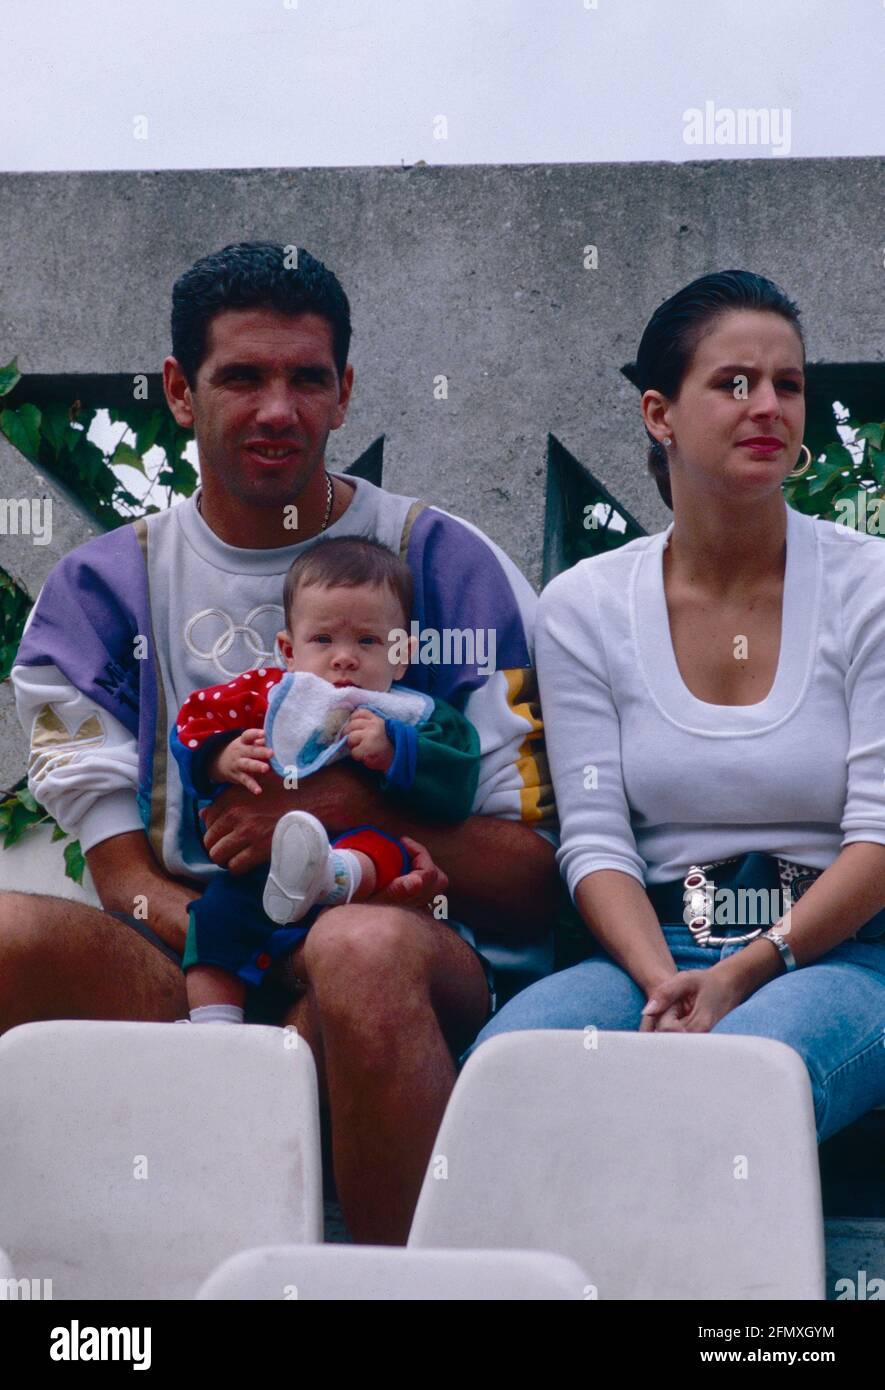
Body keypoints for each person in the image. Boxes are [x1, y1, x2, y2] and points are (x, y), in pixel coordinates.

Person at [5, 241, 559, 1242]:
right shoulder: (98, 593)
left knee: (357, 949)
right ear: (180, 390)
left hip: (412, 943)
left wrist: (356, 811)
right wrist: (250, 949)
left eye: (307, 378)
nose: (278, 409)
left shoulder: (446, 564)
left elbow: (532, 882)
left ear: (345, 392)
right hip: (198, 958)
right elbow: (123, 881)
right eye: (242, 377)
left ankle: (417, 1291)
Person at [470, 270, 885, 1142]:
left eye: (788, 385)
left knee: (732, 1093)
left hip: (840, 955)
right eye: (734, 383)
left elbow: (878, 837)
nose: (767, 405)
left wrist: (738, 978)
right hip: (649, 947)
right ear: (659, 414)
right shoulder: (585, 604)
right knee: (504, 1077)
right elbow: (592, 836)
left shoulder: (868, 586)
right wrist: (665, 982)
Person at [171, 534, 481, 1024]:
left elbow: (459, 775)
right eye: (322, 640)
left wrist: (397, 750)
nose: (344, 658)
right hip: (266, 874)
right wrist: (219, 758)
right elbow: (192, 724)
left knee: (389, 852)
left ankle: (330, 875)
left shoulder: (414, 716)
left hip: (362, 882)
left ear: (401, 654)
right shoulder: (269, 698)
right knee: (210, 922)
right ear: (287, 650)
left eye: (367, 640)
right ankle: (213, 1030)